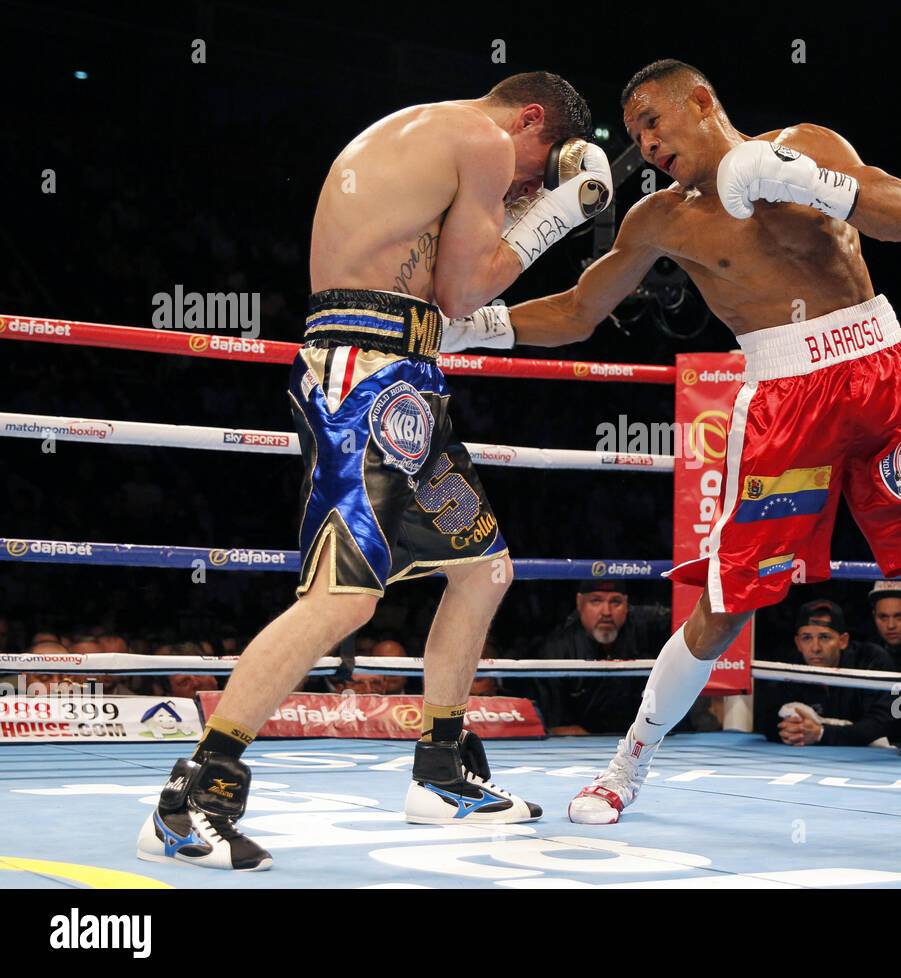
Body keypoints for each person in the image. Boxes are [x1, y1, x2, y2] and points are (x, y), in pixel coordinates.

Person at [459, 59, 901, 830]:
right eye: (634, 130)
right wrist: (476, 325)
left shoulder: (804, 144)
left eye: (652, 119)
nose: (644, 141)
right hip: (784, 401)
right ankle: (626, 765)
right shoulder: (661, 220)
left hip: (883, 374)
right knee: (725, 604)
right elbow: (578, 311)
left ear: (701, 100)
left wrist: (804, 179)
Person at [137, 71, 613, 871]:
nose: (527, 185)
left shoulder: (428, 130)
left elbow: (441, 289)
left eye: (535, 185)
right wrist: (559, 213)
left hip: (398, 379)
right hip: (366, 380)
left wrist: (537, 206)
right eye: (538, 168)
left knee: (483, 569)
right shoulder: (486, 142)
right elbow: (463, 290)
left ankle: (441, 768)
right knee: (343, 598)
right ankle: (192, 798)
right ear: (532, 119)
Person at [756, 599, 901, 747]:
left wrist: (821, 733)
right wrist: (791, 731)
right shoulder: (790, 667)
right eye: (807, 638)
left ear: (843, 641)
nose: (815, 647)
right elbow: (766, 719)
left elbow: (881, 723)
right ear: (798, 643)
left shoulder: (871, 660)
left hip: (866, 759)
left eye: (824, 637)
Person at [532, 580, 677, 735]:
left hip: (652, 738)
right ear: (580, 604)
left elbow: (695, 623)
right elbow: (556, 727)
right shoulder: (558, 650)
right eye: (596, 601)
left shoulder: (650, 631)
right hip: (586, 745)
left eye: (615, 602)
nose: (606, 612)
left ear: (627, 605)